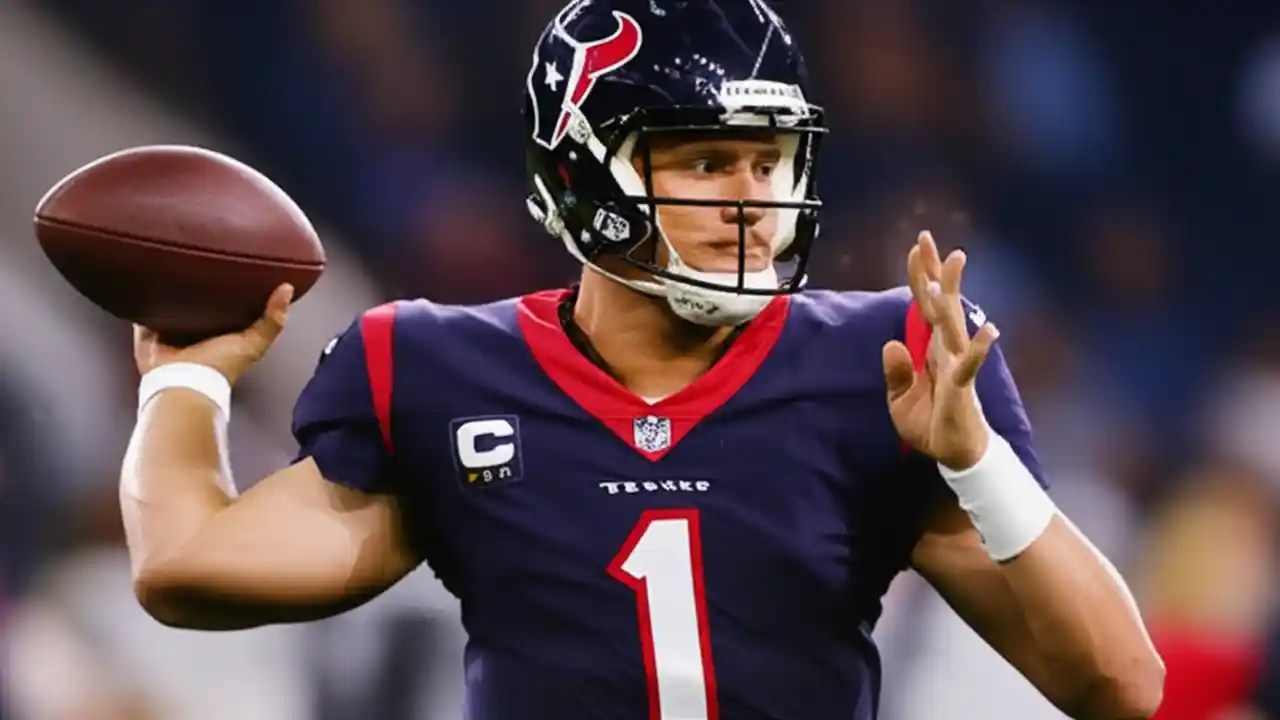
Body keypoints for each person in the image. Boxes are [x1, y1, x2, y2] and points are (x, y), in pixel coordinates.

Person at [120, 1, 1165, 718]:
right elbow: (185, 569)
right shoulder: (435, 371)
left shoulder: (882, 366)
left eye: (768, 161)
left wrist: (974, 462)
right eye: (707, 161)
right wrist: (185, 375)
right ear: (577, 172)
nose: (750, 200)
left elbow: (1121, 686)